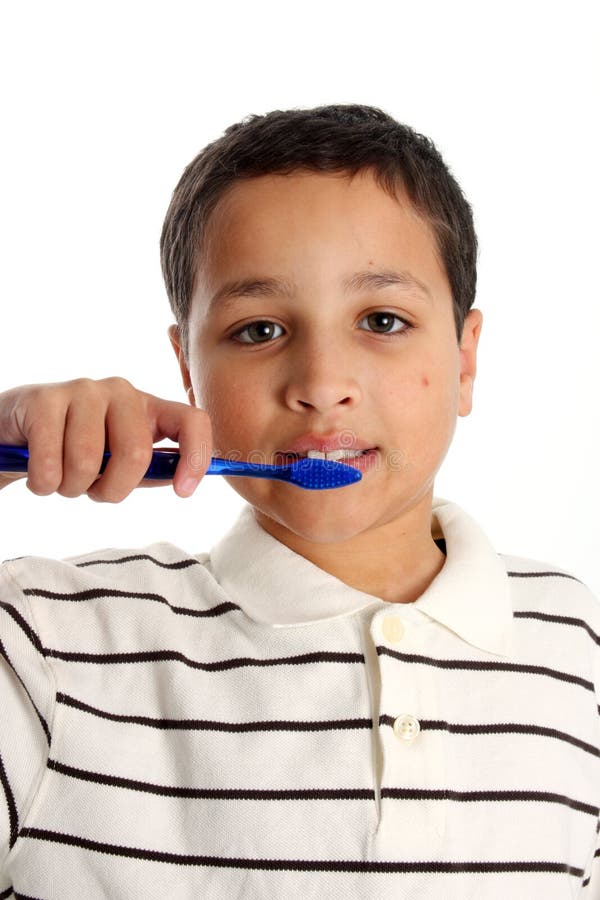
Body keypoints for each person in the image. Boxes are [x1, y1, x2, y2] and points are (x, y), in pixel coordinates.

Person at [0, 104, 598, 899]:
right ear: (187, 368)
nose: (320, 385)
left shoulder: (577, 648)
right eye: (258, 331)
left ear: (464, 360)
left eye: (382, 320)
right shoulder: (48, 643)